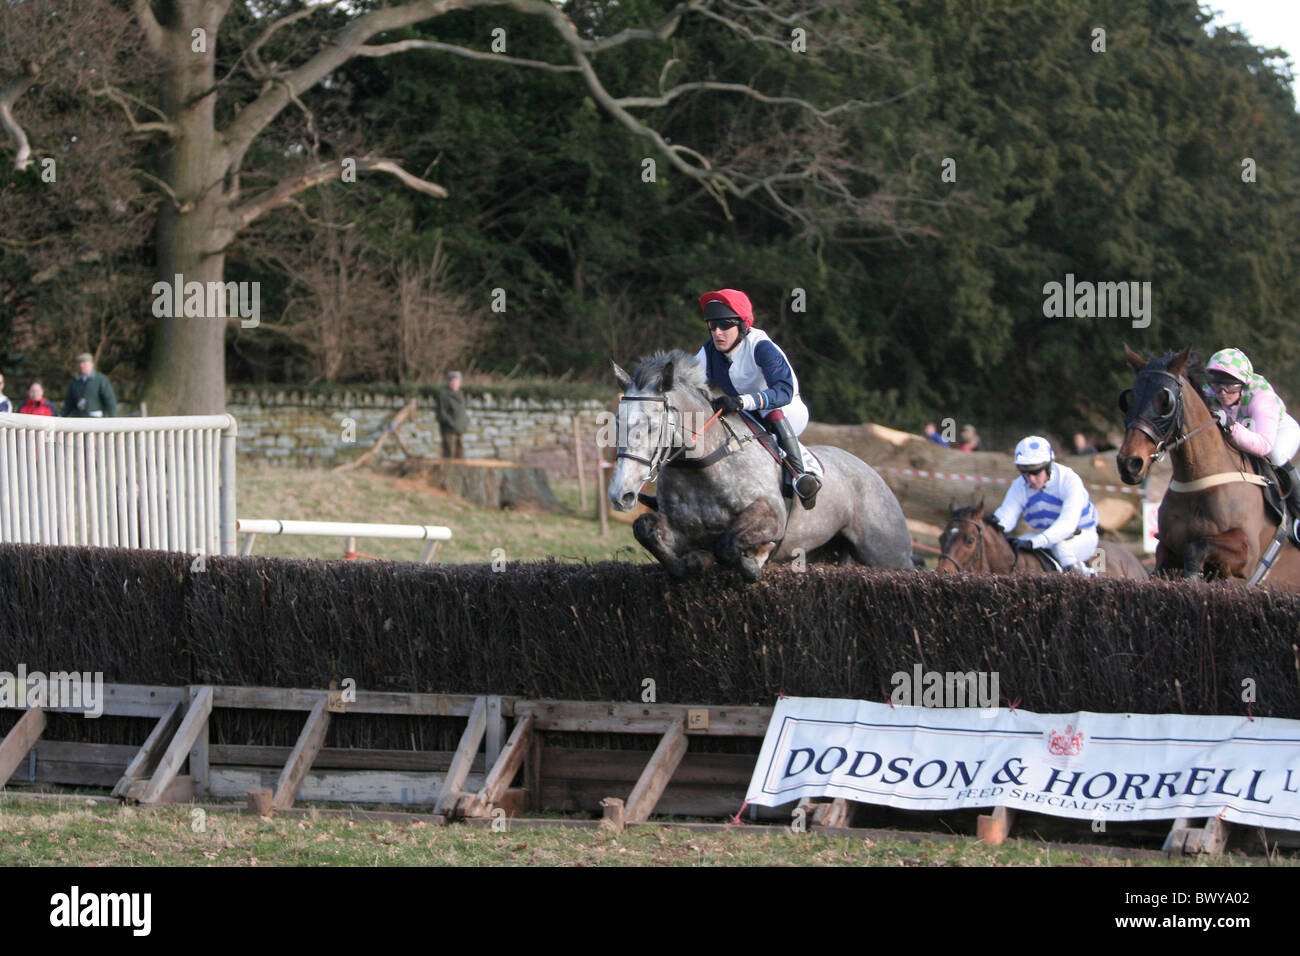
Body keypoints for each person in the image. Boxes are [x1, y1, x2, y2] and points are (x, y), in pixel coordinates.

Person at [694, 288, 821, 508]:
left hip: (786, 410)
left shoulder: (762, 347)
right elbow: (686, 379)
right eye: (712, 325)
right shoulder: (709, 351)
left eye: (725, 325)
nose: (717, 332)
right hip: (747, 411)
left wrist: (743, 401)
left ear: (743, 326)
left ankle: (801, 475)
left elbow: (783, 391)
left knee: (770, 412)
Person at [1201, 347, 1300, 541]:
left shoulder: (1262, 397)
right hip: (1241, 431)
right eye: (1217, 386)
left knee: (1277, 455)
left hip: (1277, 432)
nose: (1222, 393)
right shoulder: (1209, 393)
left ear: (1243, 384)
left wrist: (1231, 427)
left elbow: (1263, 446)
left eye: (1229, 387)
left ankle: (1298, 511)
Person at [993, 436, 1100, 575]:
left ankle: (1085, 579)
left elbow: (1067, 524)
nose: (1030, 479)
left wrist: (1035, 542)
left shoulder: (1069, 480)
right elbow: (1007, 514)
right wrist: (993, 524)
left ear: (1048, 466)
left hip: (1081, 535)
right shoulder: (1020, 484)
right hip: (1047, 536)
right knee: (1013, 548)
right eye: (1025, 473)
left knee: (1062, 549)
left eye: (1036, 472)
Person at [62, 353, 117, 418]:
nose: (81, 365)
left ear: (91, 364)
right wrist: (61, 416)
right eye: (79, 363)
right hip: (78, 418)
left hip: (96, 419)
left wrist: (112, 417)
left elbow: (110, 400)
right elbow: (68, 403)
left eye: (84, 363)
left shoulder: (101, 379)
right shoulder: (74, 381)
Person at [436, 370, 469, 459]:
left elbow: (462, 411)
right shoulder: (444, 395)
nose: (454, 383)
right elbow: (441, 414)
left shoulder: (460, 394)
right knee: (449, 455)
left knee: (460, 456)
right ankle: (447, 473)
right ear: (448, 382)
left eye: (456, 380)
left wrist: (465, 423)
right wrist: (452, 424)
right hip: (449, 431)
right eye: (452, 380)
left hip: (459, 430)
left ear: (460, 382)